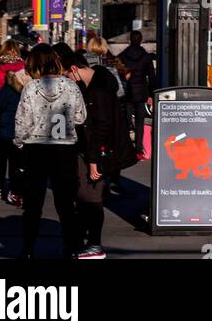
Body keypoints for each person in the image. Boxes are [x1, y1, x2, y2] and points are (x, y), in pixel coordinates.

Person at [55, 44, 135, 260]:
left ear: (74, 69)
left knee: (91, 197)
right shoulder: (97, 84)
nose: (67, 81)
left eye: (66, 75)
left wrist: (93, 161)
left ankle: (94, 245)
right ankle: (90, 242)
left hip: (98, 153)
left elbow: (100, 129)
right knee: (87, 196)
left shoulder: (97, 91)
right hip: (96, 151)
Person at [14, 43, 86, 259]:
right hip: (64, 149)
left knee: (33, 204)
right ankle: (71, 247)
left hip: (36, 149)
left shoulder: (31, 88)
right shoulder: (71, 87)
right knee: (66, 203)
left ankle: (28, 249)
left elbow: (22, 122)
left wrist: (19, 142)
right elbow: (81, 117)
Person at [0, 68, 27, 204]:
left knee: (1, 160)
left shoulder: (7, 90)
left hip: (6, 130)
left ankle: (0, 187)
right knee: (17, 163)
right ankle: (16, 190)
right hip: (22, 131)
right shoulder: (27, 90)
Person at [117, 30, 155, 158]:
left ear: (130, 40)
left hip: (127, 91)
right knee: (140, 121)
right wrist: (151, 94)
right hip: (141, 92)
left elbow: (118, 73)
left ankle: (126, 147)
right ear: (141, 40)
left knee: (126, 120)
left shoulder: (122, 56)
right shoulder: (146, 57)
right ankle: (138, 149)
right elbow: (151, 76)